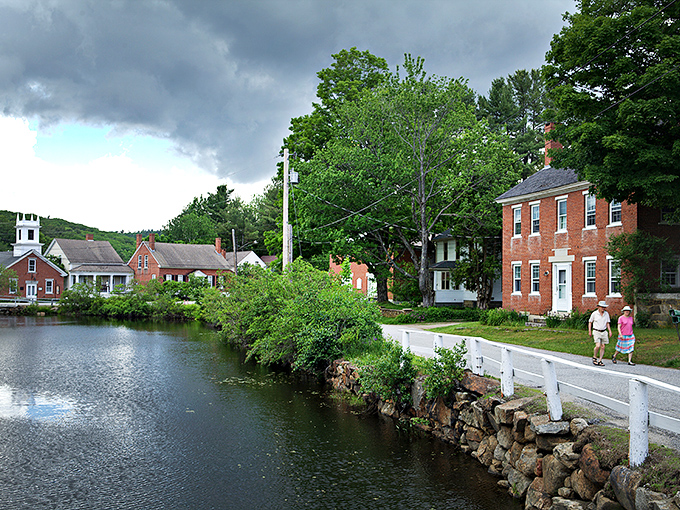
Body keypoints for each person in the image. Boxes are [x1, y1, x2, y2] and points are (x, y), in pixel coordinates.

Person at [588, 300, 612, 366]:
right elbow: (590, 322)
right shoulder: (594, 314)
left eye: (604, 307)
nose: (603, 309)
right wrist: (589, 331)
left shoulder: (606, 314)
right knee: (598, 345)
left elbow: (607, 323)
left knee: (603, 346)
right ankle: (595, 357)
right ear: (598, 307)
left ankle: (600, 360)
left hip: (603, 331)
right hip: (596, 331)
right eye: (602, 307)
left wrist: (609, 331)